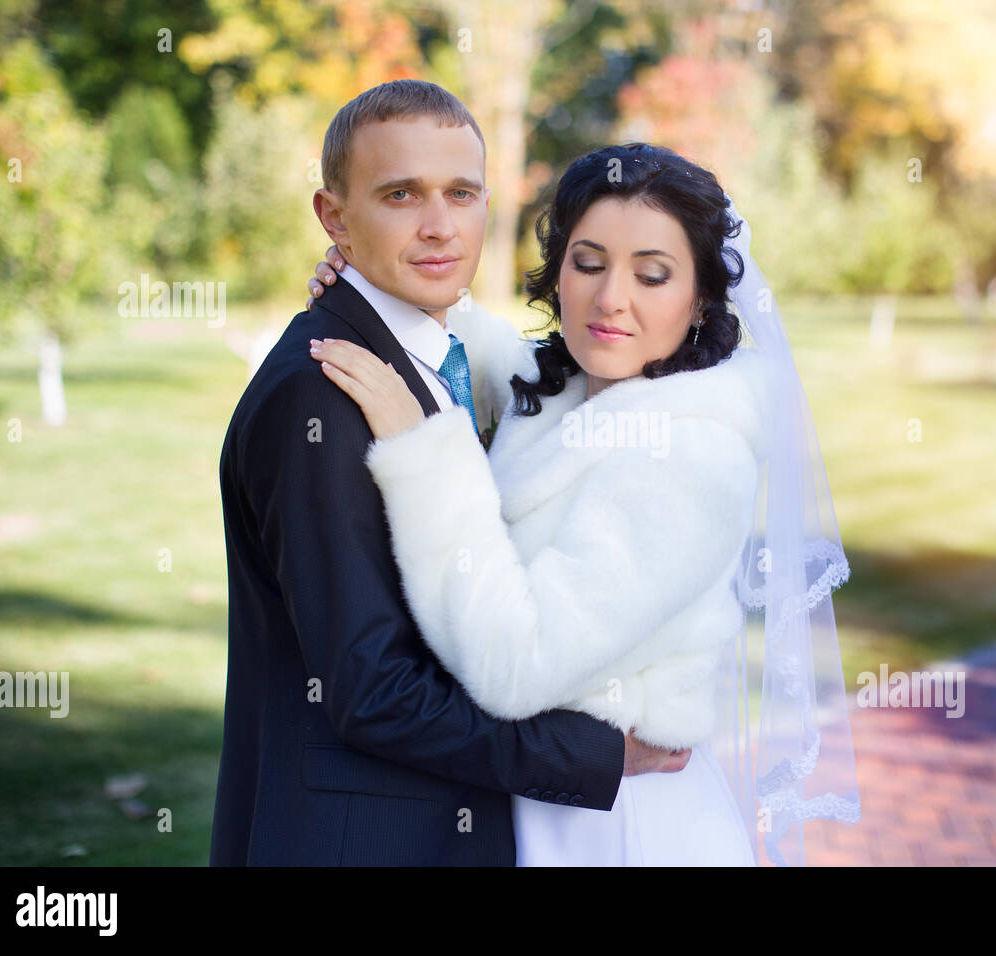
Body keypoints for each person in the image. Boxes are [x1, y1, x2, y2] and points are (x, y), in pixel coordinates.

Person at [307, 141, 860, 865]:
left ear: (699, 301)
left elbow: (516, 666)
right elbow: (489, 353)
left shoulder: (691, 459)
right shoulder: (567, 388)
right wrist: (373, 287)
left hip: (620, 825)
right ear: (558, 271)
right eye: (589, 263)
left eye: (652, 275)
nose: (611, 300)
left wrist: (422, 453)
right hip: (544, 799)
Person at [209, 80, 687, 868]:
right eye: (400, 195)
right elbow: (372, 690)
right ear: (335, 218)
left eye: (460, 194)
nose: (438, 227)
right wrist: (597, 752)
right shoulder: (320, 394)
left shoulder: (448, 359)